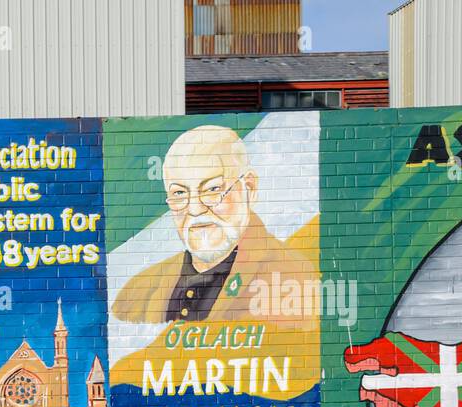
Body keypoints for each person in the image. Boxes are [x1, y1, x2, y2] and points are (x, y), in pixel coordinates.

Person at [113, 125, 317, 326]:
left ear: (249, 188)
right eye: (179, 193)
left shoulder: (291, 280)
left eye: (212, 189)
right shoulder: (138, 292)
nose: (194, 209)